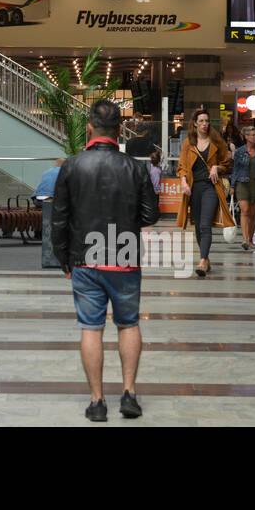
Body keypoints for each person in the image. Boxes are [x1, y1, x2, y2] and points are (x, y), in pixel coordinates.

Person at [51, 99, 159, 422]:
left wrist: (64, 260)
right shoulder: (136, 168)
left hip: (85, 259)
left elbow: (58, 220)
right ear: (118, 131)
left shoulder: (71, 165)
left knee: (91, 328)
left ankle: (97, 402)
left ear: (89, 128)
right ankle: (129, 395)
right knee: (128, 323)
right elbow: (150, 214)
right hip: (124, 258)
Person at [175, 109, 233, 278]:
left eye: (206, 121)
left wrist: (217, 167)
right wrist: (184, 182)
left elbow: (227, 164)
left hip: (211, 187)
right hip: (194, 188)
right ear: (194, 123)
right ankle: (206, 259)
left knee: (206, 225)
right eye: (201, 121)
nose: (204, 124)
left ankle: (201, 260)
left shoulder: (217, 141)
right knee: (199, 227)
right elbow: (182, 167)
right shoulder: (188, 143)